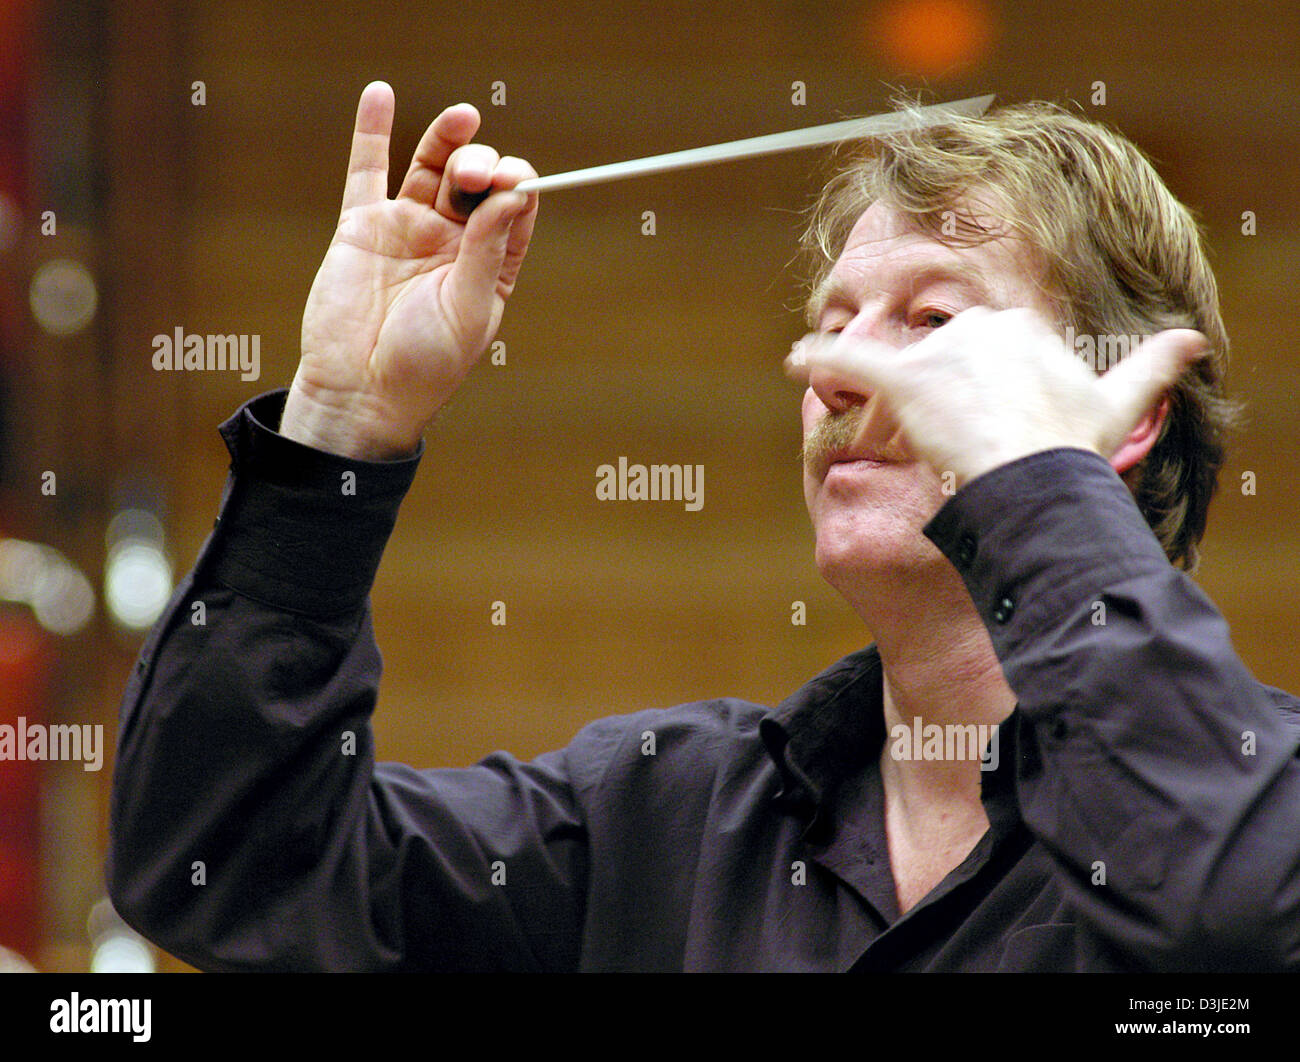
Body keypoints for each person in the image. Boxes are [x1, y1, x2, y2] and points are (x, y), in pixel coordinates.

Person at [106, 82, 1300, 971]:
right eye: (833, 324)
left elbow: (1228, 914)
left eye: (929, 319)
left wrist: (1034, 480)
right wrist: (336, 425)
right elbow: (226, 864)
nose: (836, 372)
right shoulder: (662, 812)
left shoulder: (1258, 795)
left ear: (1124, 416)